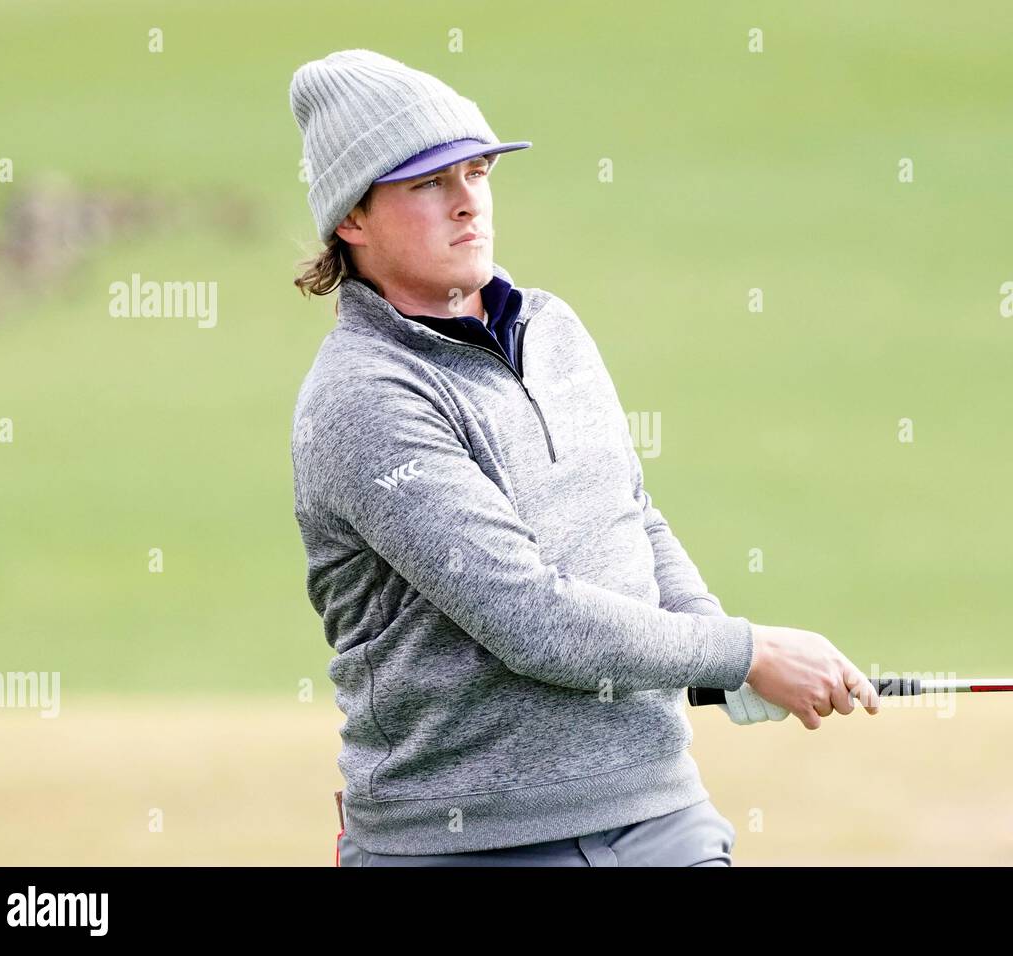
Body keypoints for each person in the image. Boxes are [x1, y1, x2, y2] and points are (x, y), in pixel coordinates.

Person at [287, 49, 880, 868]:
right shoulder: (364, 399)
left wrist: (709, 641)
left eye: (478, 172)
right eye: (429, 184)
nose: (468, 204)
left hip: (659, 810)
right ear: (352, 218)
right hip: (463, 841)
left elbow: (628, 513)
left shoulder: (551, 327)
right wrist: (749, 652)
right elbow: (533, 621)